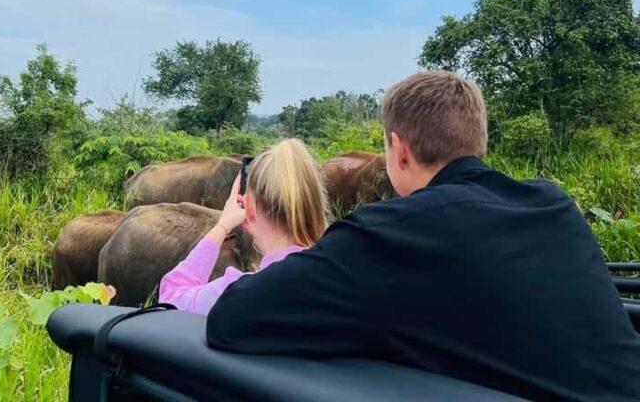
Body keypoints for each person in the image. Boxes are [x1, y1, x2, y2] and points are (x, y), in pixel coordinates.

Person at [207, 71, 640, 401]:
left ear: (399, 150)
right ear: (479, 142)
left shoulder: (388, 235)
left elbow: (234, 317)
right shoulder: (554, 205)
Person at [159, 138, 329, 315]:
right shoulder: (340, 278)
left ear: (250, 207)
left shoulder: (239, 293)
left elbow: (170, 298)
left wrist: (222, 226)